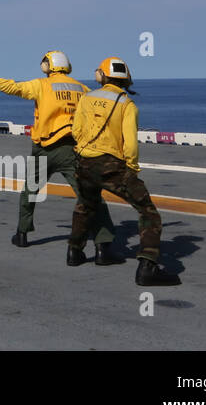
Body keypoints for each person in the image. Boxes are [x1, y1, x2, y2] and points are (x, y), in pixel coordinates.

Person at [0, 51, 121, 261]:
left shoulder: (41, 85)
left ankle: (22, 234)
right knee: (90, 196)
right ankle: (103, 247)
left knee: (30, 191)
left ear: (48, 66)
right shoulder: (82, 88)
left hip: (44, 149)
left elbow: (12, 87)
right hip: (73, 150)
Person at [68, 58, 179, 285]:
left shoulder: (87, 97)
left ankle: (74, 252)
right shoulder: (127, 104)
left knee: (85, 206)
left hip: (84, 163)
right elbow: (130, 145)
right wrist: (132, 169)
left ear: (101, 76)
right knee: (148, 212)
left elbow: (76, 131)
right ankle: (147, 266)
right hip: (112, 166)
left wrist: (86, 151)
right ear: (126, 78)